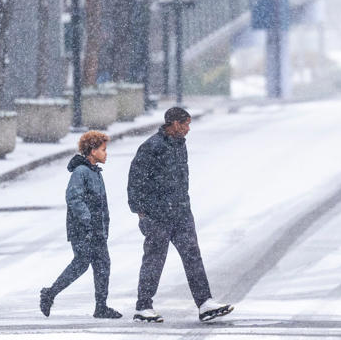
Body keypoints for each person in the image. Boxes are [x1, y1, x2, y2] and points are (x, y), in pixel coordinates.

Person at [128, 107, 233, 323]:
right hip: (157, 216)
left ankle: (204, 303)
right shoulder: (151, 147)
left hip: (181, 212)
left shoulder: (179, 145)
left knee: (192, 256)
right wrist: (142, 213)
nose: (188, 129)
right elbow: (135, 181)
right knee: (154, 260)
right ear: (175, 123)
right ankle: (143, 306)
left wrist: (183, 206)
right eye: (186, 124)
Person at [39, 131, 122, 319]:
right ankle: (49, 293)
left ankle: (101, 307)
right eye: (103, 149)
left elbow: (101, 204)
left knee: (103, 265)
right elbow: (73, 198)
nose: (106, 153)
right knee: (81, 263)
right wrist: (87, 220)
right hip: (83, 230)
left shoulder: (95, 172)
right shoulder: (81, 172)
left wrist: (103, 226)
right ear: (92, 151)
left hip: (96, 230)